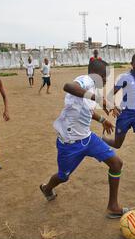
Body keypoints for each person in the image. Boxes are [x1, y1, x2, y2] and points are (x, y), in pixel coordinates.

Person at [39, 59, 130, 218]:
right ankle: (47, 188)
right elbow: (68, 86)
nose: (106, 80)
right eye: (105, 77)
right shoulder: (86, 80)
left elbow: (86, 110)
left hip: (87, 139)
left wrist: (103, 120)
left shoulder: (91, 87)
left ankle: (113, 206)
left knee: (116, 163)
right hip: (70, 143)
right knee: (63, 176)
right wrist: (99, 99)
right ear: (97, 76)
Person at [102, 53, 135, 192]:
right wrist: (114, 106)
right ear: (131, 64)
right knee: (117, 144)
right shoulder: (125, 78)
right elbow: (109, 95)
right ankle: (102, 140)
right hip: (125, 114)